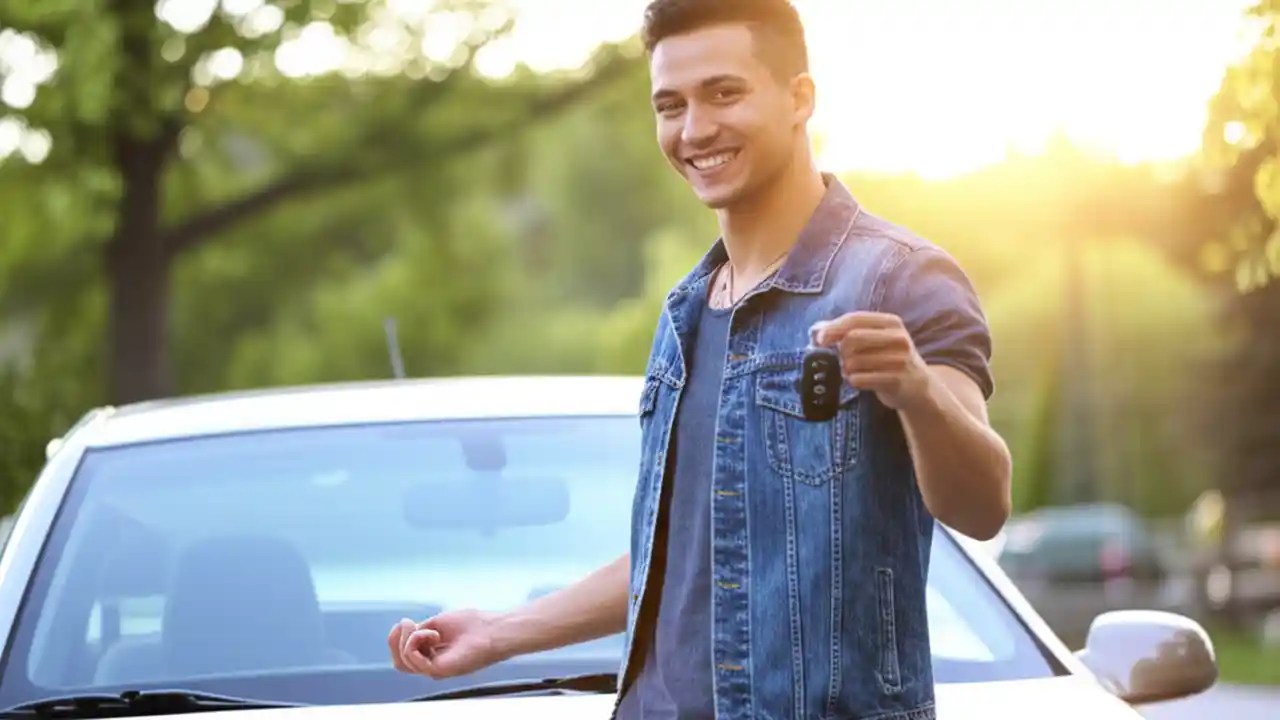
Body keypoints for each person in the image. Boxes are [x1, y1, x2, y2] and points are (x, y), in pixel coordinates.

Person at [388, 0, 1013, 717]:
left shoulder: (900, 280)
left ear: (798, 98)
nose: (694, 130)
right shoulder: (685, 312)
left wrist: (915, 391)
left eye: (724, 93)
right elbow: (682, 560)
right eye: (670, 105)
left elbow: (983, 503)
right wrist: (501, 632)